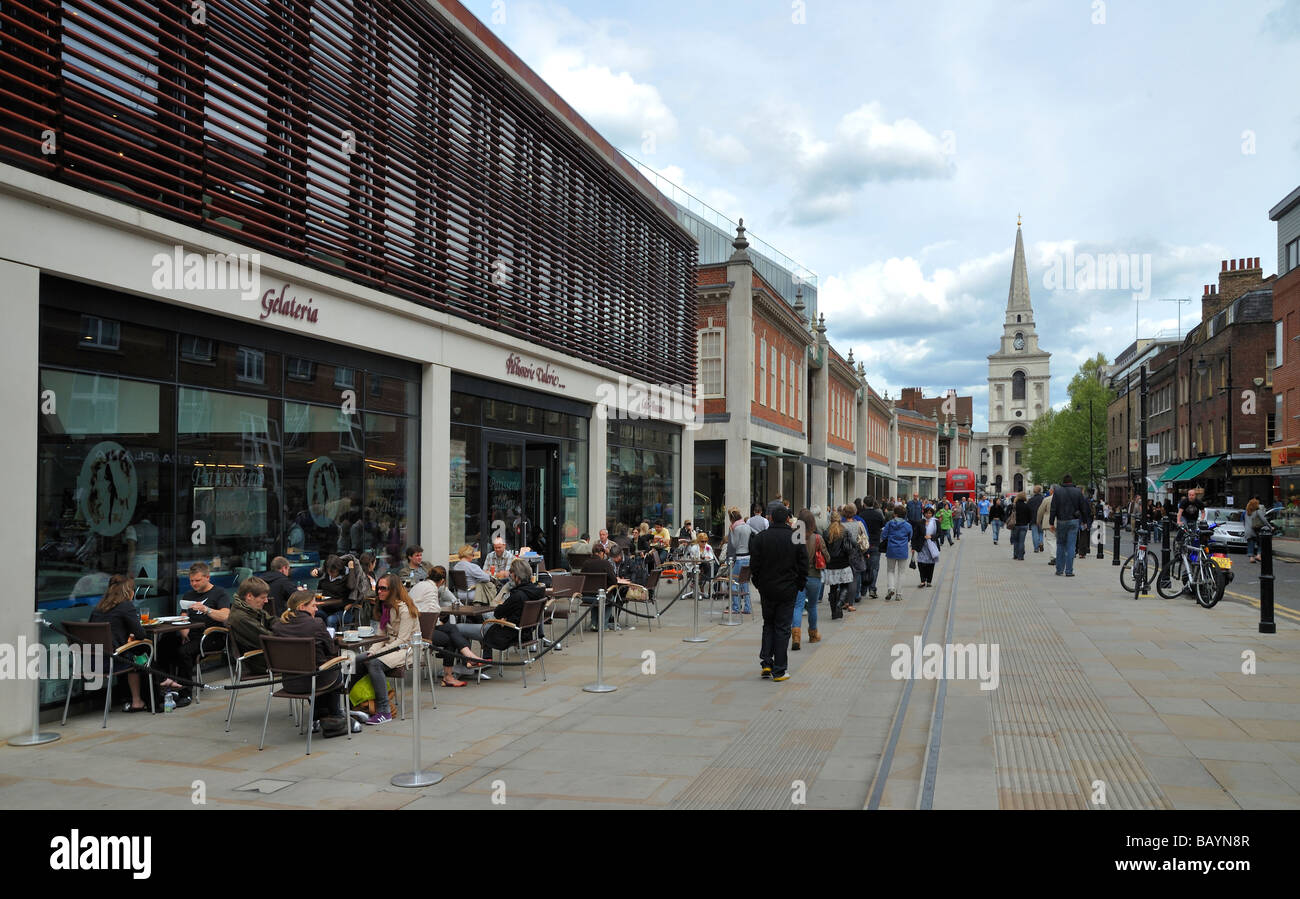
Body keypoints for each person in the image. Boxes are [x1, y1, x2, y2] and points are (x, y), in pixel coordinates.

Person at [749, 503, 807, 682]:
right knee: (782, 627)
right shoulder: (795, 537)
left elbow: (755, 565)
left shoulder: (760, 538)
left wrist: (758, 583)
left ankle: (766, 662)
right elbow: (803, 564)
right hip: (788, 588)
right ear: (788, 519)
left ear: (771, 518)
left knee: (768, 624)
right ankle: (780, 669)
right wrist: (799, 584)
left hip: (767, 588)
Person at [156, 562, 230, 701]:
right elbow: (184, 616)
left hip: (211, 635)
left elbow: (225, 615)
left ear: (207, 577)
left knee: (184, 651)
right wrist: (184, 633)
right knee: (164, 643)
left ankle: (186, 692)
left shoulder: (220, 593)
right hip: (191, 634)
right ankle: (166, 682)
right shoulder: (188, 594)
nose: (194, 584)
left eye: (197, 580)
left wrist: (206, 610)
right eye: (191, 581)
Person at [272, 591, 346, 727]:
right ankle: (335, 715)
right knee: (335, 667)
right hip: (316, 682)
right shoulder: (316, 624)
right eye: (313, 606)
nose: (317, 609)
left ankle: (318, 714)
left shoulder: (278, 626)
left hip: (289, 683)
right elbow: (332, 650)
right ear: (302, 607)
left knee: (318, 668)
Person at [354, 573, 420, 725]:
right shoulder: (385, 607)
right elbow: (380, 636)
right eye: (378, 588)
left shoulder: (405, 610)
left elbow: (402, 640)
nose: (379, 592)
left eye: (383, 588)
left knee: (373, 663)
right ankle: (353, 704)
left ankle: (384, 711)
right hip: (390, 647)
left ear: (393, 590)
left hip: (407, 649)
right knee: (355, 660)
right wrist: (372, 651)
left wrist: (376, 654)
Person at [88, 574, 149, 712]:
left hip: (89, 662)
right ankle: (137, 701)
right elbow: (141, 634)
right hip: (111, 662)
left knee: (129, 652)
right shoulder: (126, 606)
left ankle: (128, 696)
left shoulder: (98, 608)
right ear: (129, 591)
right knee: (142, 650)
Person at [479, 559, 548, 663]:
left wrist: (503, 608)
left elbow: (498, 613)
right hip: (526, 632)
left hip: (509, 633)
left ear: (516, 576)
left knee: (464, 627)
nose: (509, 576)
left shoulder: (518, 595)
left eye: (511, 573)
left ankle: (478, 661)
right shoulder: (537, 591)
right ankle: (485, 659)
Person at [227, 576, 276, 676]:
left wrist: (289, 625)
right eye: (263, 597)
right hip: (260, 662)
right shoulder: (241, 618)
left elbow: (272, 620)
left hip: (265, 656)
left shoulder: (250, 608)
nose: (266, 601)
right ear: (249, 596)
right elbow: (269, 639)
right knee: (306, 657)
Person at [791, 508, 826, 648]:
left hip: (798, 576)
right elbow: (827, 557)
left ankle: (796, 637)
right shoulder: (817, 538)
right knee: (812, 606)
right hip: (814, 577)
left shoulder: (794, 538)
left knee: (797, 606)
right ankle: (813, 634)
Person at [580, 544, 623, 630]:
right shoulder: (605, 563)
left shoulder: (585, 563)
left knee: (594, 596)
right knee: (610, 598)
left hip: (586, 597)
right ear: (601, 553)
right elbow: (614, 581)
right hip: (602, 597)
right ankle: (604, 624)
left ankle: (594, 623)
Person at [1049, 474, 1085, 576]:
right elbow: (1083, 507)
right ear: (1071, 481)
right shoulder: (1077, 491)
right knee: (1071, 546)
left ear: (1063, 481)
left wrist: (1051, 522)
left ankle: (1059, 570)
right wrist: (1084, 521)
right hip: (1073, 521)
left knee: (1060, 545)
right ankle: (1069, 571)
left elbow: (1053, 508)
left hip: (1061, 521)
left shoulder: (1058, 491)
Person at [821, 512, 853, 619]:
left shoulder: (826, 532)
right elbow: (852, 544)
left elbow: (824, 548)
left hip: (831, 564)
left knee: (833, 588)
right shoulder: (845, 531)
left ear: (830, 520)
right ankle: (840, 603)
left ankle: (834, 612)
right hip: (844, 563)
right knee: (845, 586)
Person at [881, 506, 913, 601]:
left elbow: (883, 536)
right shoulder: (908, 525)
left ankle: (891, 588)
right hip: (902, 550)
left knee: (890, 570)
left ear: (895, 514)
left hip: (891, 549)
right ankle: (899, 594)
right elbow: (910, 536)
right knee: (901, 572)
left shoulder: (889, 524)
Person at [727, 507, 755, 614]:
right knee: (745, 583)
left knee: (734, 582)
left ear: (732, 519)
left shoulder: (736, 528)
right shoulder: (747, 526)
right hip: (748, 557)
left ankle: (736, 607)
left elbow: (734, 544)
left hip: (739, 558)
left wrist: (731, 532)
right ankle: (747, 607)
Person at [862, 498, 885, 600]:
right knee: (874, 567)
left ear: (864, 504)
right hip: (875, 543)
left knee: (863, 567)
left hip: (864, 545)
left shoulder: (861, 515)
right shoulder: (878, 514)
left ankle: (862, 589)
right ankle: (872, 588)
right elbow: (882, 526)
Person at [916, 508, 940, 587]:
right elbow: (916, 534)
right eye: (927, 513)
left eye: (930, 513)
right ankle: (922, 580)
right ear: (924, 513)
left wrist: (931, 536)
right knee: (921, 562)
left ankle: (929, 580)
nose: (928, 514)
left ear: (932, 514)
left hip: (932, 545)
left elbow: (939, 533)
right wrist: (913, 546)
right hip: (922, 545)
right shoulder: (920, 522)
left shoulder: (936, 522)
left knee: (930, 563)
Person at [1244, 498, 1266, 563]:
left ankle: (1251, 558)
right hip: (1256, 529)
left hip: (1248, 531)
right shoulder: (1258, 511)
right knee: (1260, 542)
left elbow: (1244, 521)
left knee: (1250, 543)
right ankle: (1259, 555)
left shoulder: (1246, 512)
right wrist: (1270, 527)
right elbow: (1263, 520)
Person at [1011, 492, 1032, 560]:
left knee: (1016, 541)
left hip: (1016, 525)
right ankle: (1021, 556)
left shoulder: (1014, 505)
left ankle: (1015, 555)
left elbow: (1009, 514)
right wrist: (1027, 522)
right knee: (1021, 541)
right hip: (1024, 525)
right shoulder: (1027, 506)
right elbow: (1030, 516)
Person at [1038, 487, 1055, 564]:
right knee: (1059, 541)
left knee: (1051, 540)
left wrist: (1038, 521)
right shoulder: (1063, 498)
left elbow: (1040, 511)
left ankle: (1054, 557)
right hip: (1061, 521)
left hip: (1049, 522)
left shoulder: (1047, 499)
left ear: (1052, 491)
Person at [1027, 486, 1046, 553]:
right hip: (1042, 519)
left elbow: (1028, 510)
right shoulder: (1043, 499)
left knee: (1034, 533)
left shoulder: (1030, 500)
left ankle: (1036, 548)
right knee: (1041, 532)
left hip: (1033, 519)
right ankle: (1041, 542)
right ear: (1040, 491)